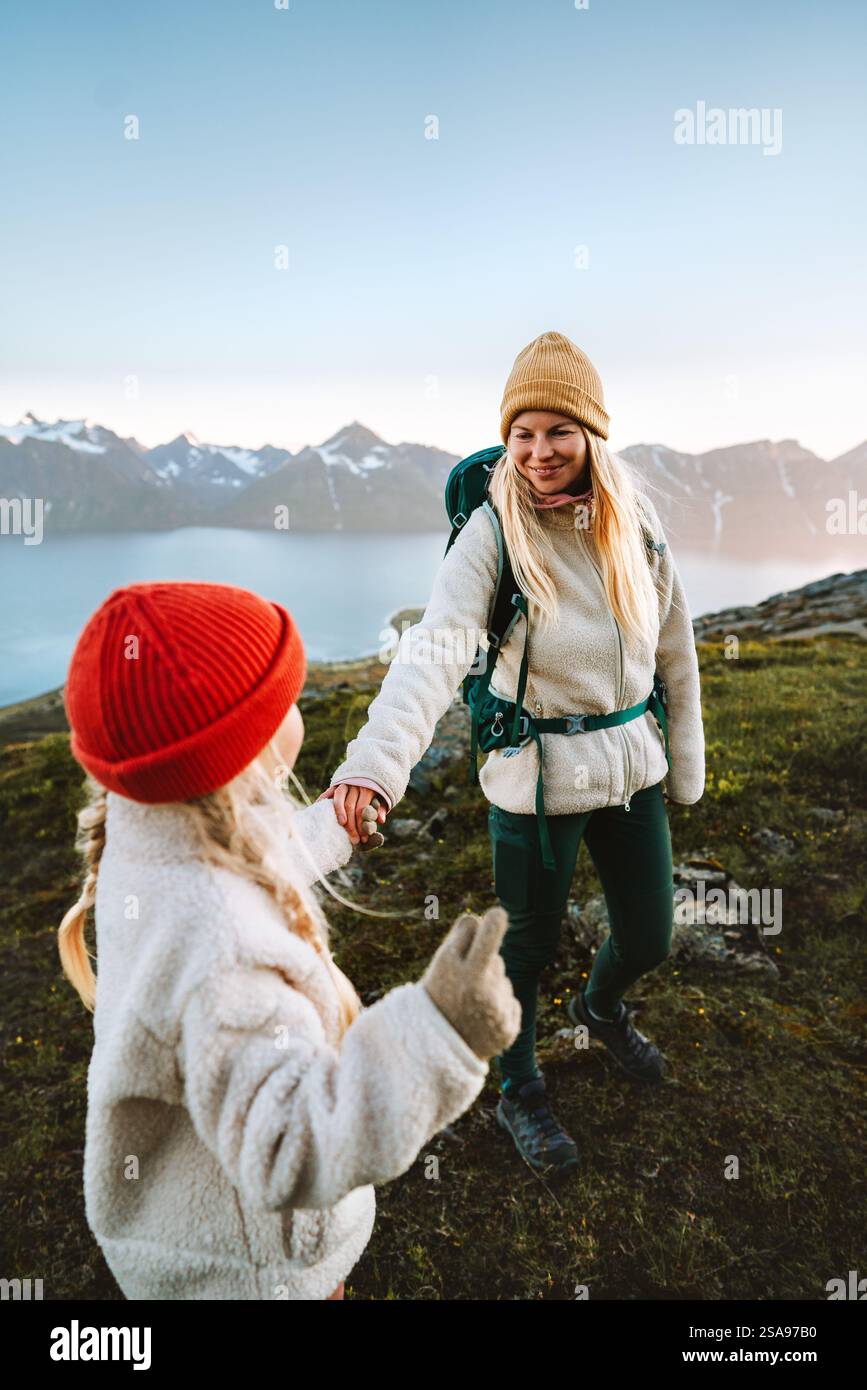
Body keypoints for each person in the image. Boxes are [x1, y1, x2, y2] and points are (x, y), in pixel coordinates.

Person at [57, 579, 520, 1298]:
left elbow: (247, 862)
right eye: (285, 700)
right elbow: (288, 1150)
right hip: (251, 1268)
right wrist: (439, 1030)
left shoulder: (153, 828)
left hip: (190, 1222)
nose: (296, 710)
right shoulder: (221, 951)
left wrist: (333, 826)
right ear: (240, 748)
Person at [320, 330, 705, 1176]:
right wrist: (374, 766)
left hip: (630, 770)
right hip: (532, 784)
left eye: (557, 432)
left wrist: (683, 758)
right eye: (521, 432)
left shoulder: (634, 522)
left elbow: (673, 645)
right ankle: (518, 1085)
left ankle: (601, 1011)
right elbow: (432, 650)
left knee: (648, 936)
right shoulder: (492, 533)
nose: (536, 453)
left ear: (591, 436)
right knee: (523, 950)